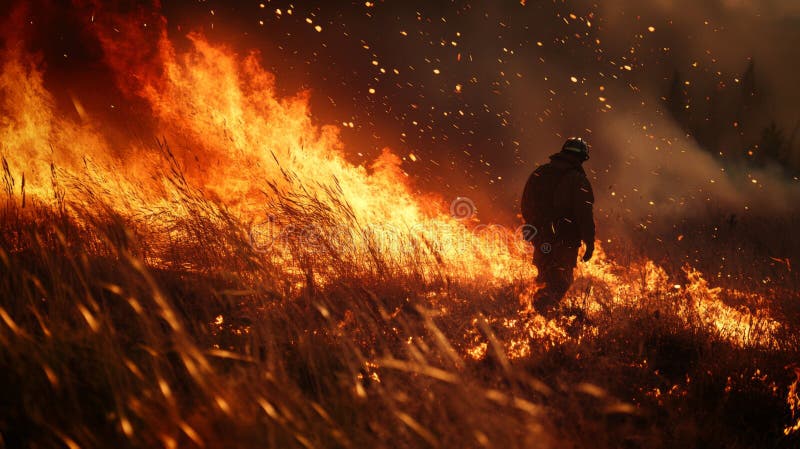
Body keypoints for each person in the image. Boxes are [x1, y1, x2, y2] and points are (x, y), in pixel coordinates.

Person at [520, 137, 595, 317]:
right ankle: (538, 316)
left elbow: (526, 204)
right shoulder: (577, 179)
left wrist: (536, 230)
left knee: (544, 277)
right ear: (582, 158)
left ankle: (531, 315)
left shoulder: (540, 172)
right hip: (564, 242)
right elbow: (584, 214)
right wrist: (589, 242)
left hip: (541, 240)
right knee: (560, 282)